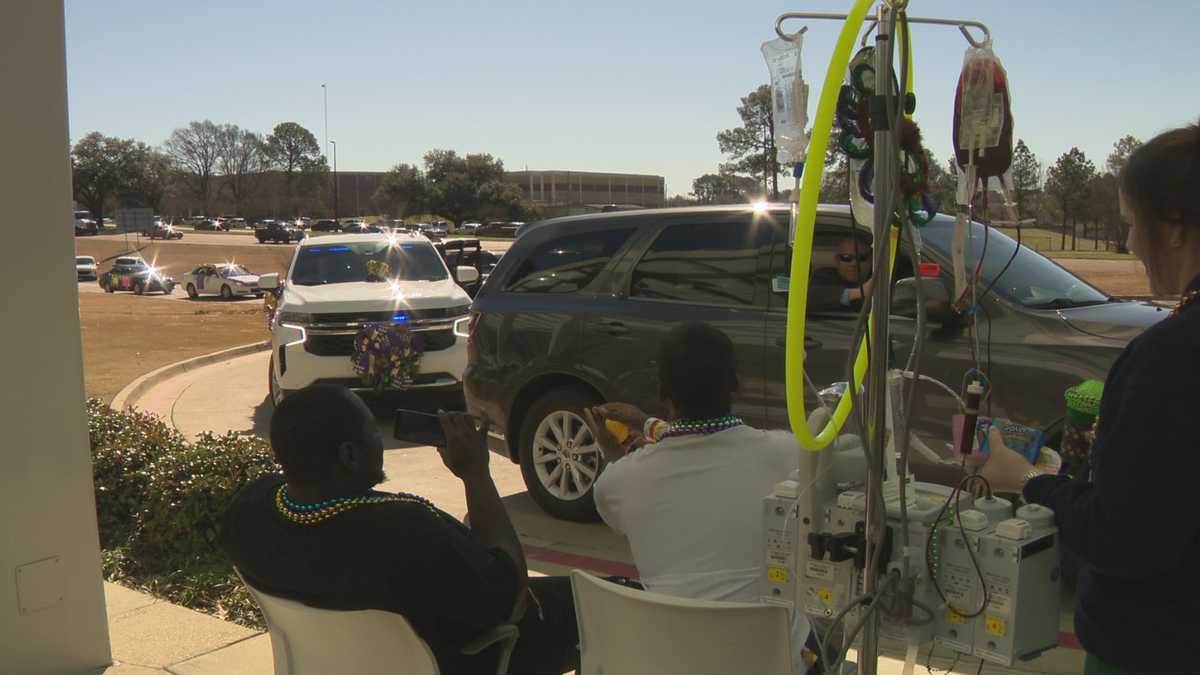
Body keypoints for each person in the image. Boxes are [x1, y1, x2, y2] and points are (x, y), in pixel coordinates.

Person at [980, 121, 1200, 675]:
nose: (1130, 244)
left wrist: (1030, 480)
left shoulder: (1168, 356)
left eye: (1131, 224)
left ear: (1173, 228)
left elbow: (1122, 537)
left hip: (1157, 646)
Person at [219, 385, 578, 675]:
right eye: (374, 431)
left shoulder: (249, 511)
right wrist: (475, 473)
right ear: (349, 455)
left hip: (333, 664)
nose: (381, 440)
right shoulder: (405, 531)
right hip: (455, 658)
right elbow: (508, 597)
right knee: (587, 603)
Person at [584, 322, 817, 673]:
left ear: (663, 389)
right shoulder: (788, 455)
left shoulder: (617, 482)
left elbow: (682, 453)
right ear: (735, 382)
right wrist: (649, 426)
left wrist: (618, 452)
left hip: (670, 662)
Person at [808, 234, 873, 312]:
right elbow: (810, 297)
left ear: (871, 259)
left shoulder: (881, 278)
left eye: (861, 257)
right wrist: (859, 292)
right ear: (837, 261)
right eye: (846, 257)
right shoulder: (824, 276)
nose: (854, 263)